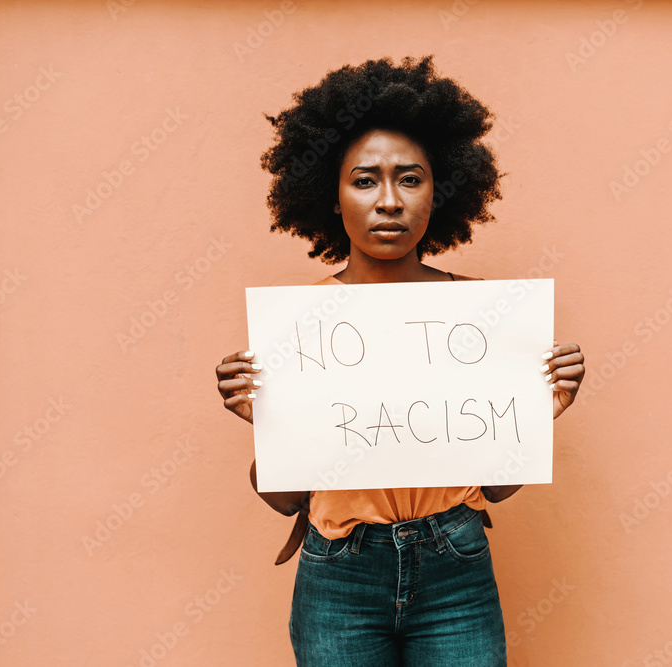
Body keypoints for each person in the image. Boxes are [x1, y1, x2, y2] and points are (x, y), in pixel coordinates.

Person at [215, 56, 585, 666]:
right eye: (365, 180)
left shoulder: (482, 316)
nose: (388, 201)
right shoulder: (299, 326)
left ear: (440, 192)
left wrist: (535, 414)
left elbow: (496, 487)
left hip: (456, 566)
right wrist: (266, 421)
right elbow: (285, 501)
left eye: (410, 179)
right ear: (331, 198)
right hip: (338, 576)